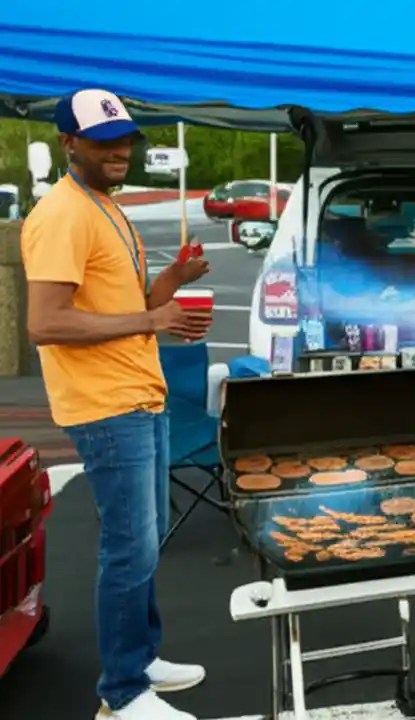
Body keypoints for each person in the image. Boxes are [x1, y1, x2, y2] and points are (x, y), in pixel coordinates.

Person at [21, 89, 212, 720]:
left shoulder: (106, 207)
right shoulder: (62, 215)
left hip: (138, 392)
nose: (118, 151)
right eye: (103, 141)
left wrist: (171, 286)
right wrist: (153, 317)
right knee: (130, 548)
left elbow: (129, 303)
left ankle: (141, 655)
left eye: (124, 138)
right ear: (68, 143)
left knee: (146, 542)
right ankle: (123, 693)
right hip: (105, 405)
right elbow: (46, 323)